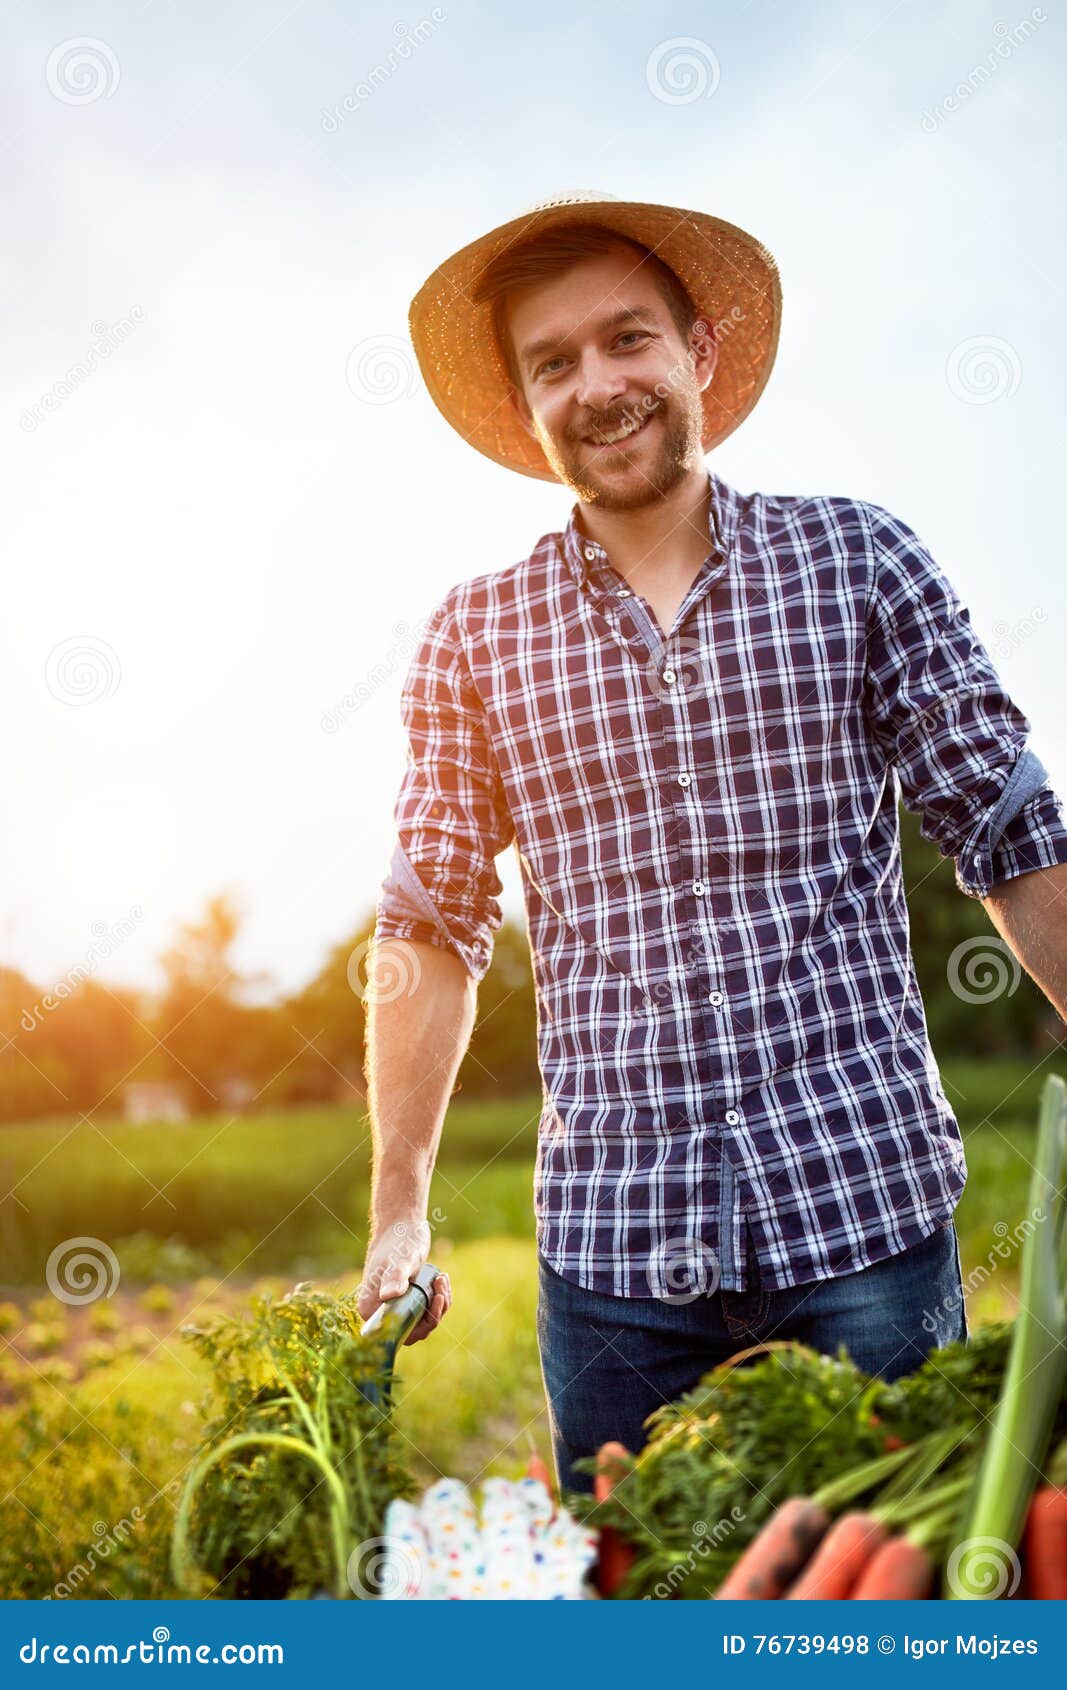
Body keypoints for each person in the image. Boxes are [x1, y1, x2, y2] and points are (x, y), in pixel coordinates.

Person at [356, 192, 1067, 1494]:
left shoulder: (859, 563)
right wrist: (399, 1194)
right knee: (641, 1611)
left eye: (628, 339)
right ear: (526, 410)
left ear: (702, 355)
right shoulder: (476, 636)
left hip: (867, 1222)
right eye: (554, 363)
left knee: (891, 1601)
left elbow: (1012, 827)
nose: (598, 384)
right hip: (618, 1269)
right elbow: (431, 923)